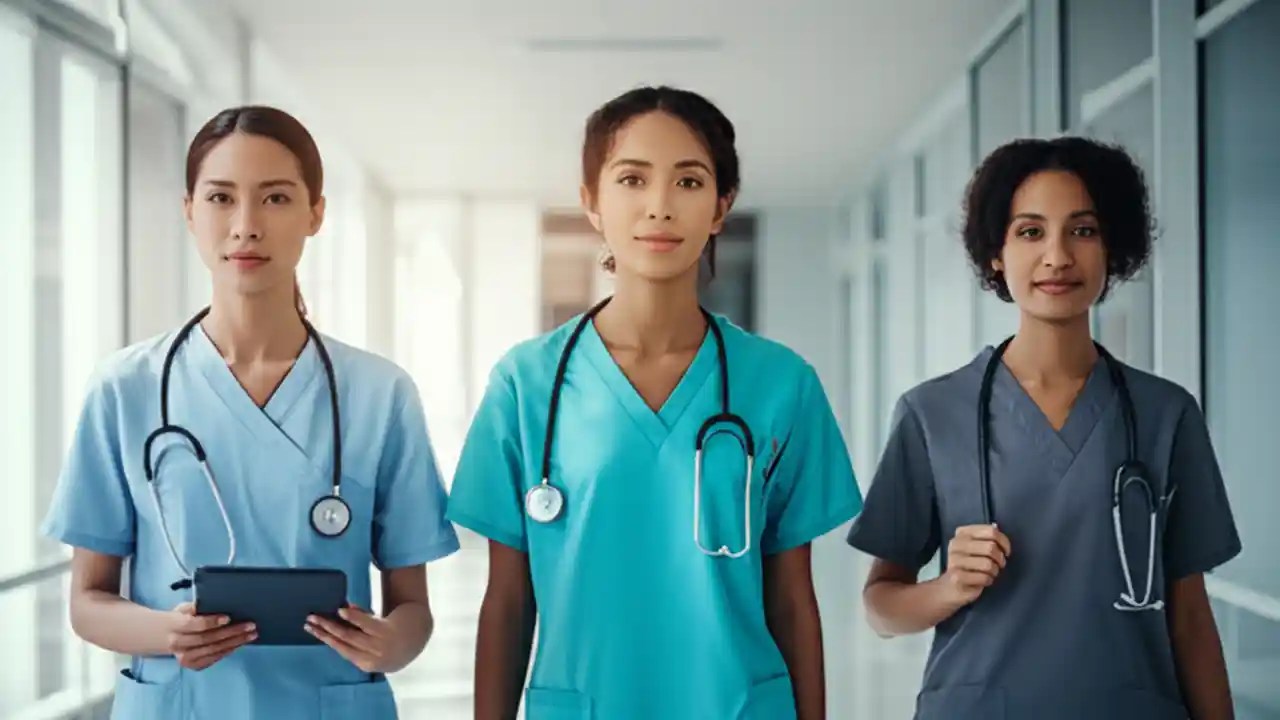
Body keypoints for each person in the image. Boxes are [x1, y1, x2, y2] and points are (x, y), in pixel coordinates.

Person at [445, 86, 863, 720]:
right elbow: (507, 601)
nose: (659, 207)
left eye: (689, 183)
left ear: (722, 207)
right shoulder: (526, 384)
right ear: (592, 202)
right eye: (632, 179)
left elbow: (792, 599)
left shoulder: (781, 384)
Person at [41, 105, 460, 719]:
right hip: (180, 705)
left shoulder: (379, 394)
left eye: (275, 198)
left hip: (327, 703)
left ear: (315, 213)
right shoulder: (125, 388)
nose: (245, 226)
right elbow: (87, 602)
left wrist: (392, 644)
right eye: (220, 198)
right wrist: (166, 634)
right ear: (190, 211)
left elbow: (412, 607)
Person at [847, 136, 1241, 719]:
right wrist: (948, 588)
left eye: (1082, 231)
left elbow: (1189, 616)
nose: (1057, 256)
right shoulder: (933, 413)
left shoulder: (1166, 414)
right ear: (996, 254)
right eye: (1031, 232)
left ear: (1114, 248)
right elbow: (881, 606)